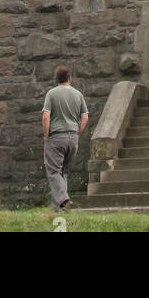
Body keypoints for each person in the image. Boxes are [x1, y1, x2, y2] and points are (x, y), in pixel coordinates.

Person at [42, 65, 89, 211]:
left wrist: (46, 136)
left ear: (57, 79)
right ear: (70, 78)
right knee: (64, 172)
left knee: (53, 171)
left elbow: (45, 116)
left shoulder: (51, 93)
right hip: (72, 137)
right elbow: (85, 117)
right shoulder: (78, 94)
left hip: (56, 137)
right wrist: (77, 133)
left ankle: (63, 198)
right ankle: (58, 208)